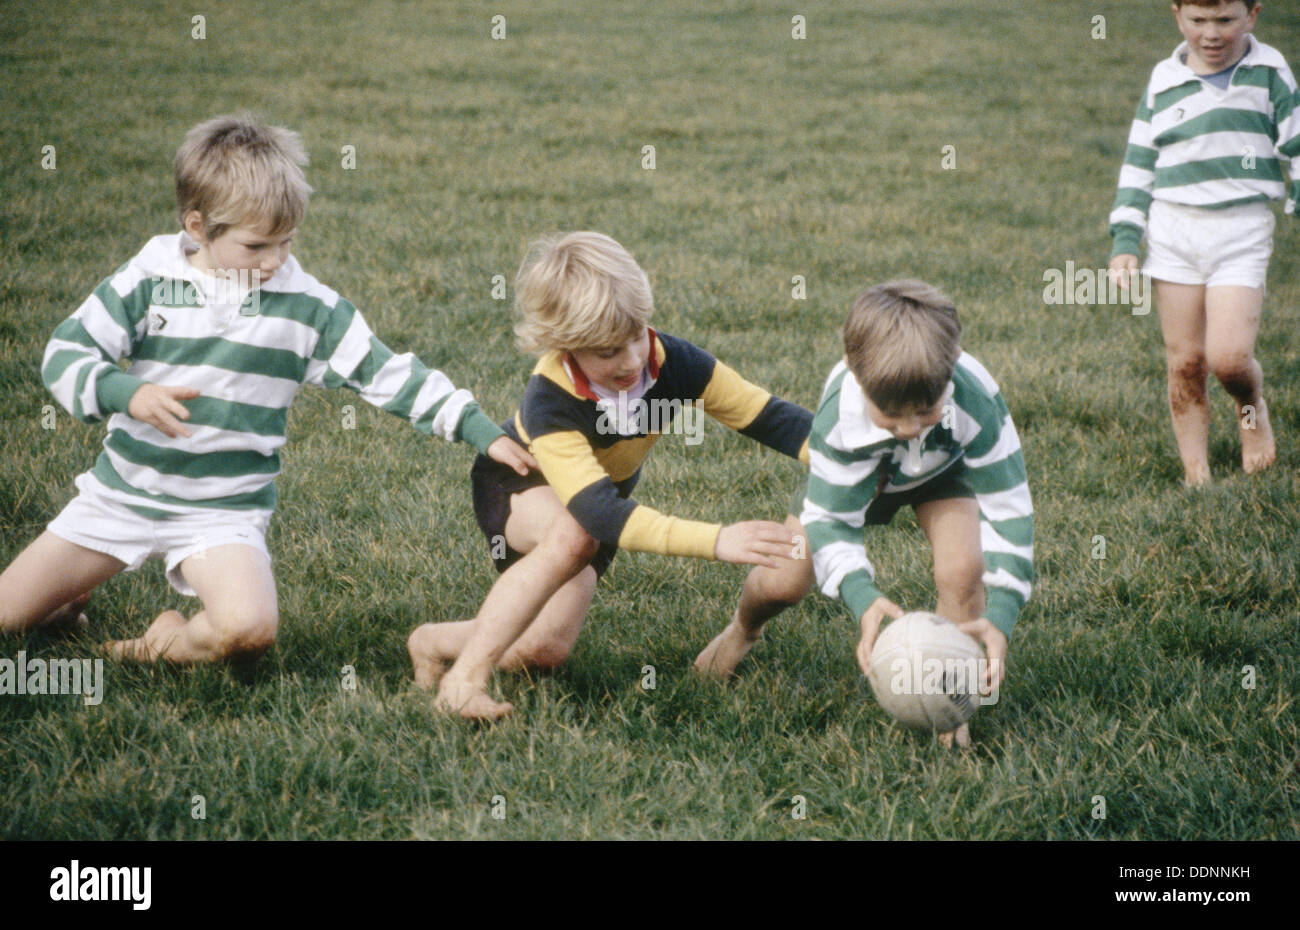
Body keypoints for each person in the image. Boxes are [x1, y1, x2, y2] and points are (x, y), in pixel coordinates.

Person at [0, 113, 533, 662]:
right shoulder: (148, 282)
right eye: (256, 247)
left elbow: (388, 373)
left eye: (286, 243)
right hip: (120, 497)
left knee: (247, 632)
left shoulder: (308, 307)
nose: (275, 261)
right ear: (197, 226)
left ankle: (155, 644)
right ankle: (61, 605)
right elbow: (64, 354)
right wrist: (124, 393)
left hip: (223, 512)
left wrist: (477, 428)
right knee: (6, 619)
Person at [408, 231, 812, 719]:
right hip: (519, 485)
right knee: (576, 533)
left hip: (597, 506)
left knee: (543, 654)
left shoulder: (676, 363)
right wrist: (717, 539)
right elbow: (597, 512)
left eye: (636, 335)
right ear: (564, 347)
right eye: (605, 352)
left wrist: (857, 451)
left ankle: (432, 642)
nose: (631, 360)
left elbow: (773, 419)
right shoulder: (550, 401)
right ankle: (463, 684)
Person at [799, 280, 1033, 748]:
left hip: (940, 474)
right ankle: (744, 630)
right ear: (852, 369)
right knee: (783, 576)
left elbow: (1009, 509)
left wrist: (1003, 611)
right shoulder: (837, 420)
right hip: (863, 476)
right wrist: (861, 595)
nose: (908, 428)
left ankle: (950, 711)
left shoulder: (974, 400)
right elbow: (827, 520)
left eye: (927, 409)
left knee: (963, 570)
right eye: (890, 413)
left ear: (951, 371)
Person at [1108, 0, 1298, 486]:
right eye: (1198, 21)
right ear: (1177, 16)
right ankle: (1197, 474)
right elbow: (1138, 163)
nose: (1211, 34)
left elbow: (1297, 145)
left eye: (1225, 20)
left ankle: (1250, 409)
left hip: (1240, 233)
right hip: (1175, 236)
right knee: (1187, 361)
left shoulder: (1270, 72)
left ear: (1252, 15)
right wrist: (1127, 239)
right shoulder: (1163, 80)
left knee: (1230, 360)